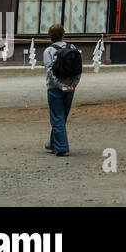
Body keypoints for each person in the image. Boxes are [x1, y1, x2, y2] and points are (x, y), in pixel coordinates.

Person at [43, 23, 81, 157]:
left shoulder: (48, 51)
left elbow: (49, 72)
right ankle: (53, 143)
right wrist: (74, 84)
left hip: (54, 88)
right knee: (62, 116)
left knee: (56, 116)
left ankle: (62, 147)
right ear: (63, 34)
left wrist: (60, 86)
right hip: (71, 87)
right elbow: (78, 68)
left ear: (50, 36)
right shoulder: (73, 48)